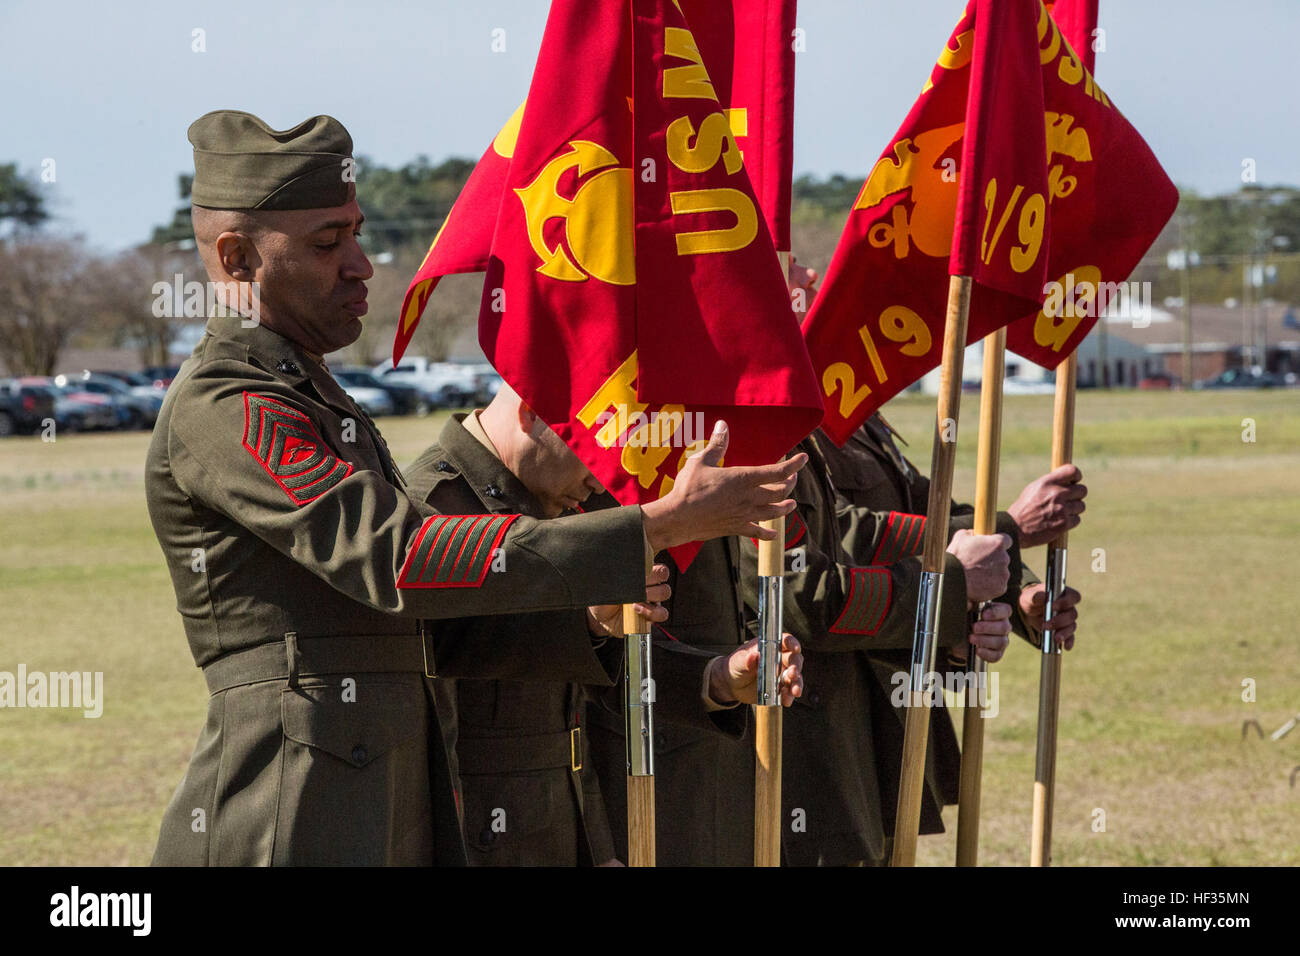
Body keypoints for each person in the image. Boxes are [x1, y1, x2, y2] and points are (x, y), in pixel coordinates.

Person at [145, 109, 805, 865]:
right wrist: (651, 526)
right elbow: (394, 557)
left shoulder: (310, 395)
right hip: (292, 819)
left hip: (382, 809)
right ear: (236, 258)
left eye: (356, 234)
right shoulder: (229, 403)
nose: (361, 265)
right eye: (328, 243)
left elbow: (440, 635)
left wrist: (596, 621)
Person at [404, 390, 804, 865]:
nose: (598, 481)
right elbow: (469, 661)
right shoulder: (431, 505)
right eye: (590, 451)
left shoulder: (550, 501)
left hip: (564, 834)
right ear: (532, 409)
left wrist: (715, 678)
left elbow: (578, 689)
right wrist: (666, 523)